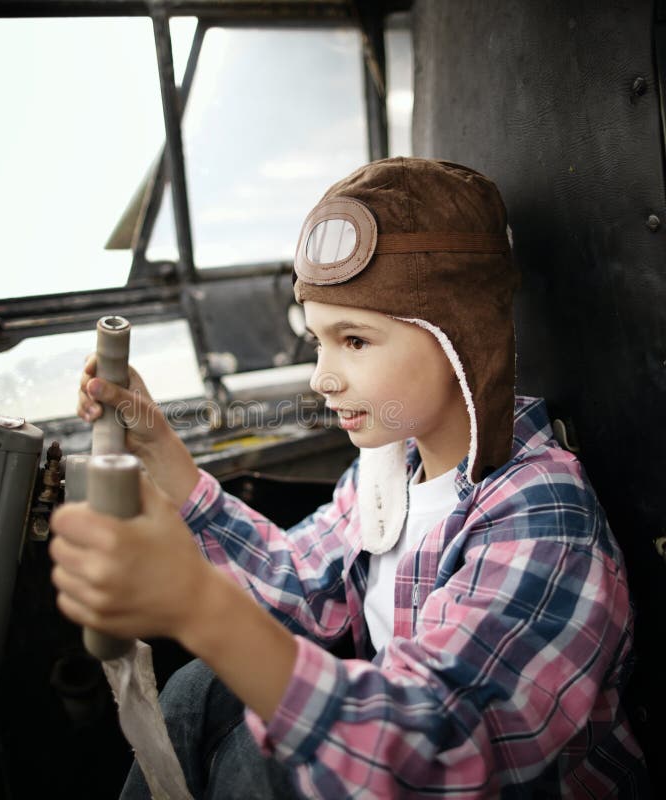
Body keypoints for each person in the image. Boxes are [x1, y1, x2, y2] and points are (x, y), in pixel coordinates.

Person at [49, 158, 649, 798]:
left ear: (458, 340)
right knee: (204, 690)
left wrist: (201, 606)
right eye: (317, 341)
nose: (321, 377)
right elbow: (300, 586)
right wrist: (162, 449)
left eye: (355, 341)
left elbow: (437, 745)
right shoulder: (389, 469)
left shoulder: (542, 516)